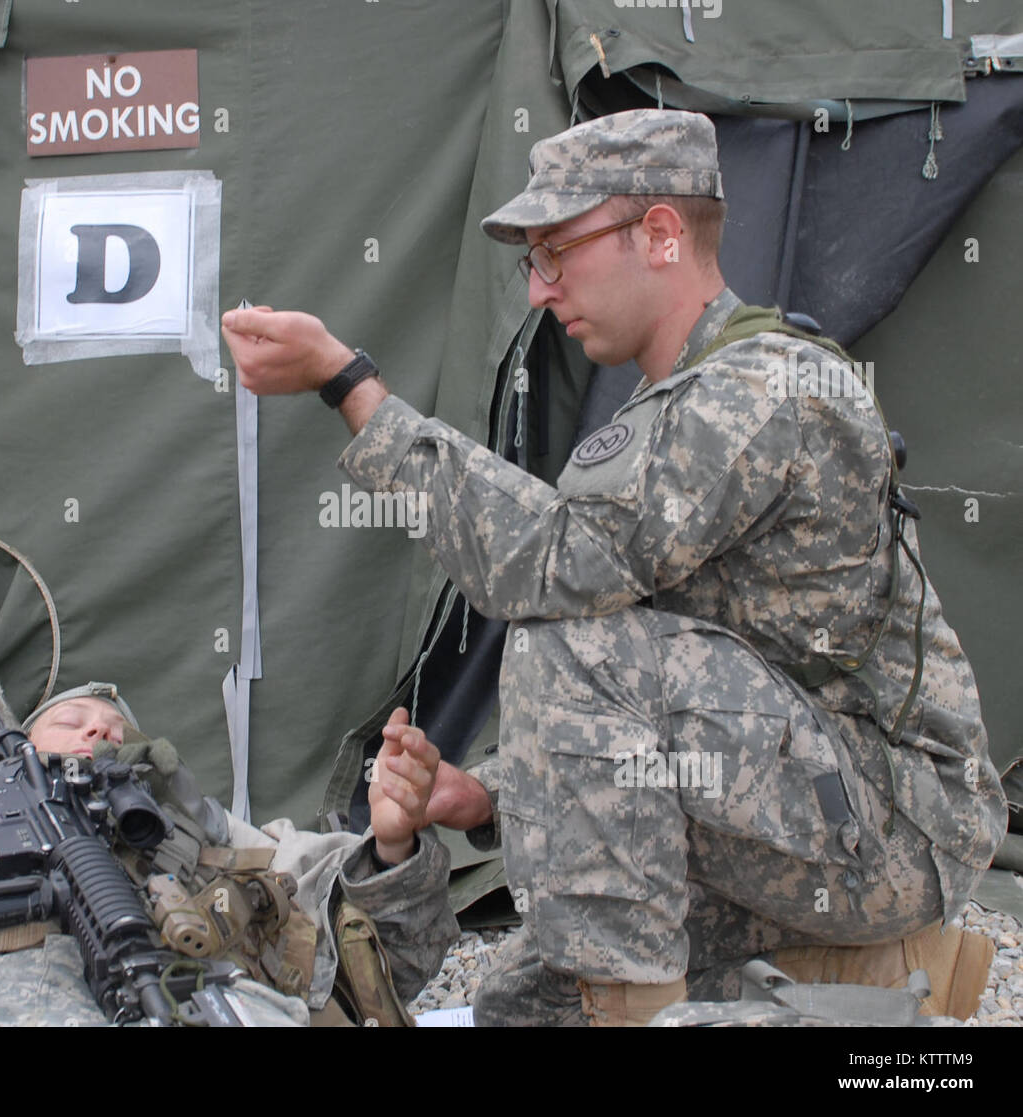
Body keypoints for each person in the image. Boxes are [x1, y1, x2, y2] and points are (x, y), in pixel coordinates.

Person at [219, 108, 1007, 1026]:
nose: (540, 290)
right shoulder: (681, 398)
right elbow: (684, 672)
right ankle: (850, 985)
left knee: (571, 642)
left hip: (896, 829)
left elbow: (551, 564)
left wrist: (348, 384)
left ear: (662, 235)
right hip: (797, 802)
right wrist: (488, 796)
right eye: (533, 261)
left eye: (558, 251)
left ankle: (714, 998)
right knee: (524, 1006)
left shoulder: (757, 392)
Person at [0, 681, 458, 1027]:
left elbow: (344, 910)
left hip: (182, 988)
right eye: (72, 720)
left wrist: (393, 835)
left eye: (114, 728)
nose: (98, 726)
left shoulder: (187, 820)